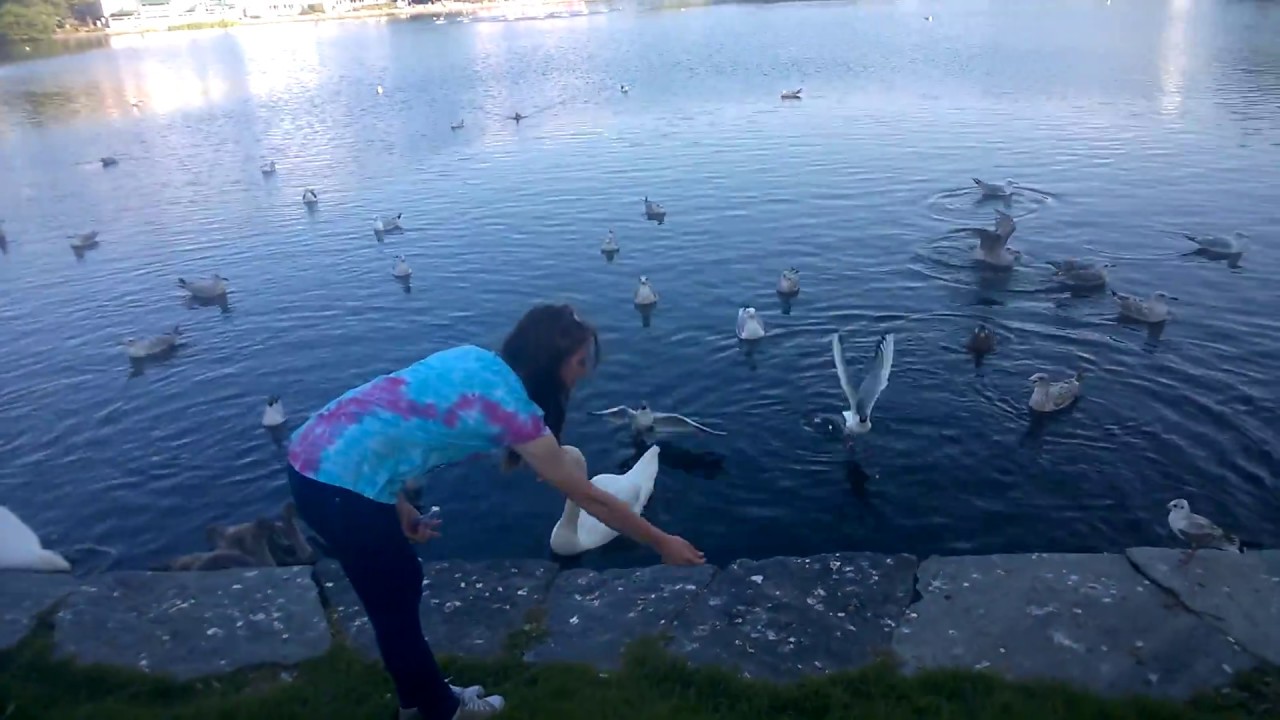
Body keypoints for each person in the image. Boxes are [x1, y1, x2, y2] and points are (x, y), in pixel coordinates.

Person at [286, 304, 705, 720]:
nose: (585, 371)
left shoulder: (475, 359)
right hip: (338, 487)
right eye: (580, 362)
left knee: (394, 591)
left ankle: (419, 698)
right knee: (394, 596)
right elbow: (591, 498)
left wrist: (400, 511)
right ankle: (440, 710)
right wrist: (661, 541)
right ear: (551, 363)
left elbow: (387, 424)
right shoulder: (517, 417)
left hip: (313, 455)